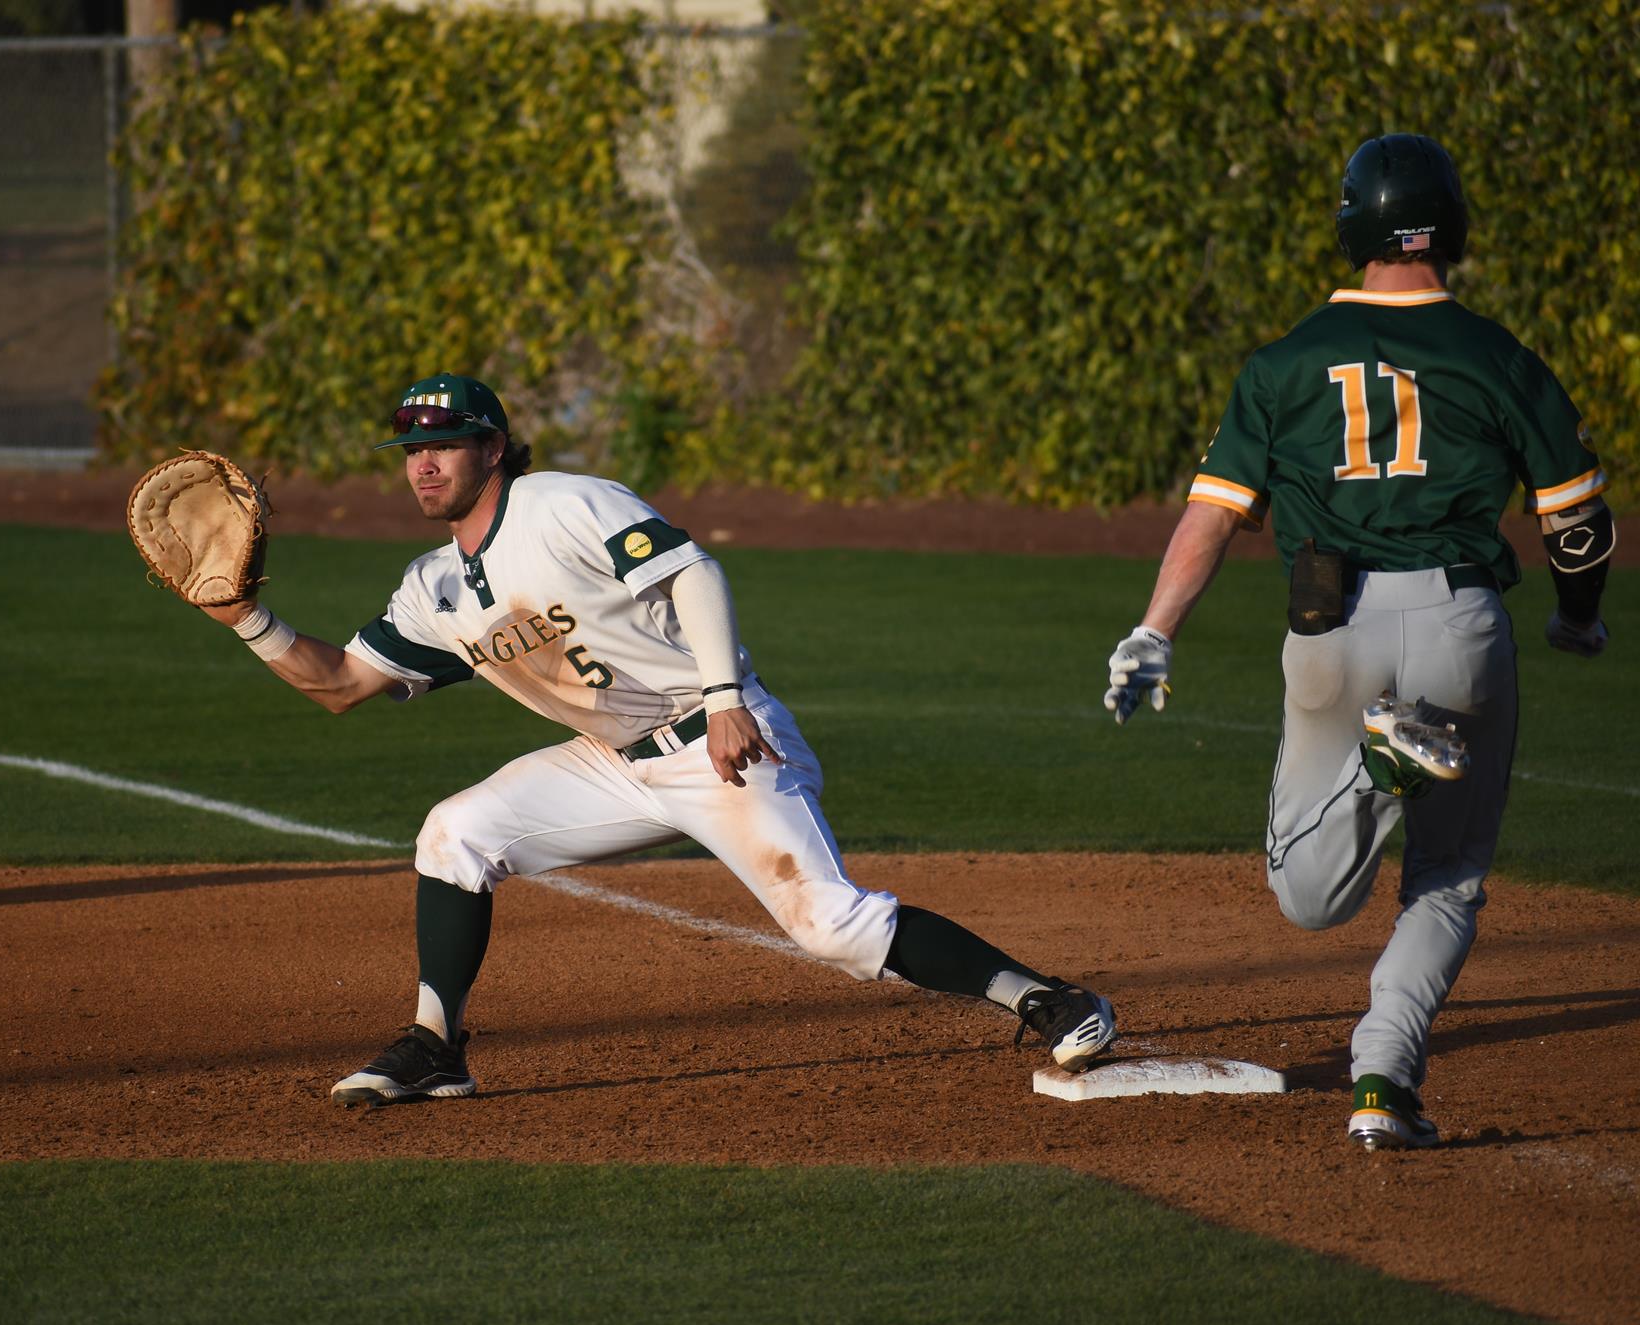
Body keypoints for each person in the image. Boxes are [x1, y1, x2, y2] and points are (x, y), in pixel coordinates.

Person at [201, 372, 1118, 1106]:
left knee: (831, 927)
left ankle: (1050, 998)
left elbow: (693, 572)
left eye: (443, 445)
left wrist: (723, 698)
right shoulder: (432, 586)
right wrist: (243, 615)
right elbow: (340, 683)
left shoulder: (562, 504)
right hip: (613, 762)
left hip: (718, 739)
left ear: (492, 448)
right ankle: (436, 1047)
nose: (425, 466)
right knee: (456, 831)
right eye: (412, 451)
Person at [1102, 134, 1613, 1150]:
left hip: (1331, 629)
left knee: (1307, 894)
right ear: (1450, 223)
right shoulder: (1496, 354)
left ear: (1352, 227)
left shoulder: (1284, 362)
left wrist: (1154, 630)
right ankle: (1381, 1079)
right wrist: (1575, 614)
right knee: (1448, 876)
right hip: (1461, 627)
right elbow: (1576, 523)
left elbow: (1211, 515)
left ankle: (1379, 769)